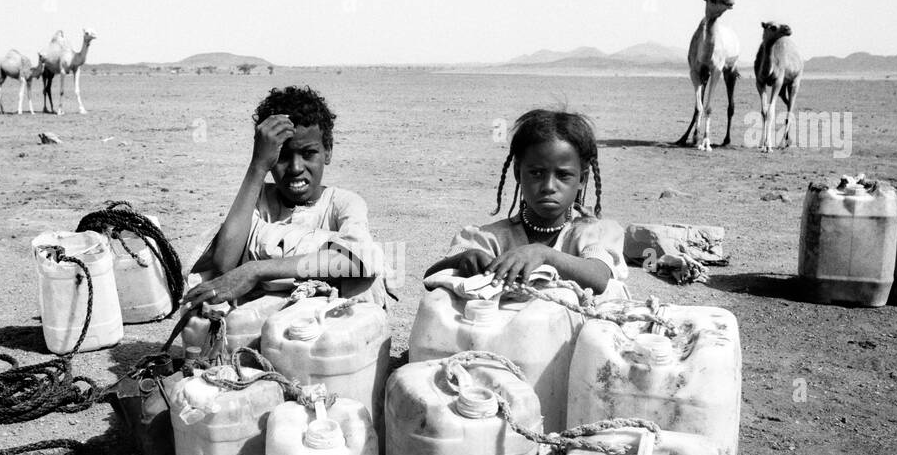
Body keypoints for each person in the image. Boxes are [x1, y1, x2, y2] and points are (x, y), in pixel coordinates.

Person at [182, 85, 389, 310]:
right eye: (282, 156)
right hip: (256, 327)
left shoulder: (343, 203)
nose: (296, 167)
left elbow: (356, 259)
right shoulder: (257, 199)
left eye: (308, 153)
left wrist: (255, 270)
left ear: (327, 151)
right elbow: (223, 263)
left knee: (367, 282)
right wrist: (258, 166)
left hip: (323, 323)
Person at [425, 109, 627, 298]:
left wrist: (544, 254)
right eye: (536, 173)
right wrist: (464, 259)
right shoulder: (490, 238)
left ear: (582, 179)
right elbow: (431, 278)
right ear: (517, 173)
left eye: (563, 175)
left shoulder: (594, 232)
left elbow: (598, 278)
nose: (548, 186)